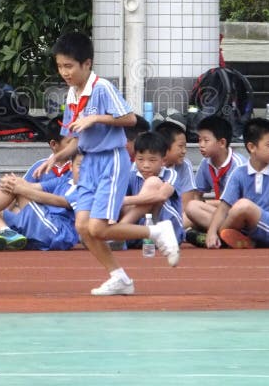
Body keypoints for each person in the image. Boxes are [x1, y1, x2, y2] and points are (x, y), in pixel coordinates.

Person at [33, 32, 179, 296]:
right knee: (82, 227)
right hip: (88, 163)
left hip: (111, 160)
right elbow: (77, 139)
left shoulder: (101, 88)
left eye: (69, 66)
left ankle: (156, 231)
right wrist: (56, 157)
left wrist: (96, 118)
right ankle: (119, 277)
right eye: (60, 66)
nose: (64, 72)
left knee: (98, 227)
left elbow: (129, 119)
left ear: (87, 64)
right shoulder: (71, 94)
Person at [204, 117, 269, 250]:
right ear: (252, 147)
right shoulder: (239, 173)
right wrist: (211, 232)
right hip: (248, 229)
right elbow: (223, 207)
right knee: (196, 208)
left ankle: (217, 238)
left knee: (242, 205)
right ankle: (221, 237)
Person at [0, 154, 82, 252]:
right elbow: (30, 186)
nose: (83, 171)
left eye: (88, 167)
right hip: (40, 225)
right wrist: (11, 182)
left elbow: (61, 201)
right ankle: (7, 232)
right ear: (71, 166)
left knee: (18, 188)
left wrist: (20, 188)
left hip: (57, 232)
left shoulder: (86, 189)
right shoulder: (63, 181)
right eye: (79, 166)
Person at [184, 114, 246, 247]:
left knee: (193, 207)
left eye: (206, 140)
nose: (201, 145)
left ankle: (211, 234)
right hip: (221, 214)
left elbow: (241, 204)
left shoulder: (239, 165)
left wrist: (207, 203)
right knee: (190, 210)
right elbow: (197, 195)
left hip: (239, 215)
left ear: (222, 143)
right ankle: (224, 236)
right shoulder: (205, 164)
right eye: (199, 140)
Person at [120, 132, 184, 244]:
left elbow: (161, 196)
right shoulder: (132, 175)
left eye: (152, 160)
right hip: (141, 230)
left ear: (163, 160)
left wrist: (123, 200)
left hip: (168, 228)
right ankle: (112, 232)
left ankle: (117, 232)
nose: (145, 165)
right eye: (140, 159)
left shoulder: (170, 174)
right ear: (134, 158)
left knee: (153, 183)